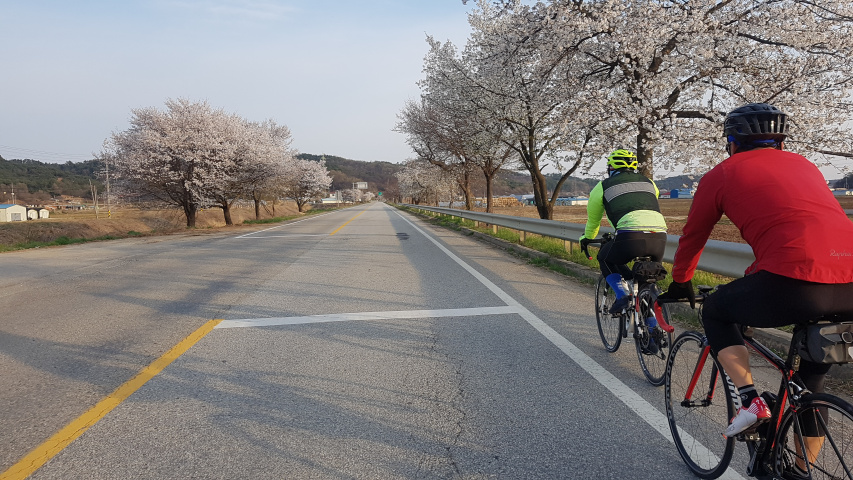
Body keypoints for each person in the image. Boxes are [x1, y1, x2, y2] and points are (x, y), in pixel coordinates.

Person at [659, 103, 853, 465]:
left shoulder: (721, 174)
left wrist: (681, 281)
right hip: (850, 280)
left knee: (717, 310)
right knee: (811, 384)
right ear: (780, 142)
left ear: (731, 142)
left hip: (795, 280)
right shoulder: (806, 166)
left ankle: (751, 402)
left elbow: (693, 236)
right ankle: (801, 469)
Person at [580, 149, 667, 315]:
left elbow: (594, 220)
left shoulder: (603, 186)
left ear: (611, 167)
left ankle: (622, 296)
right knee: (645, 283)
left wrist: (587, 238)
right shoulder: (649, 182)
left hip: (630, 236)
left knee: (605, 257)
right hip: (659, 236)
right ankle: (652, 329)